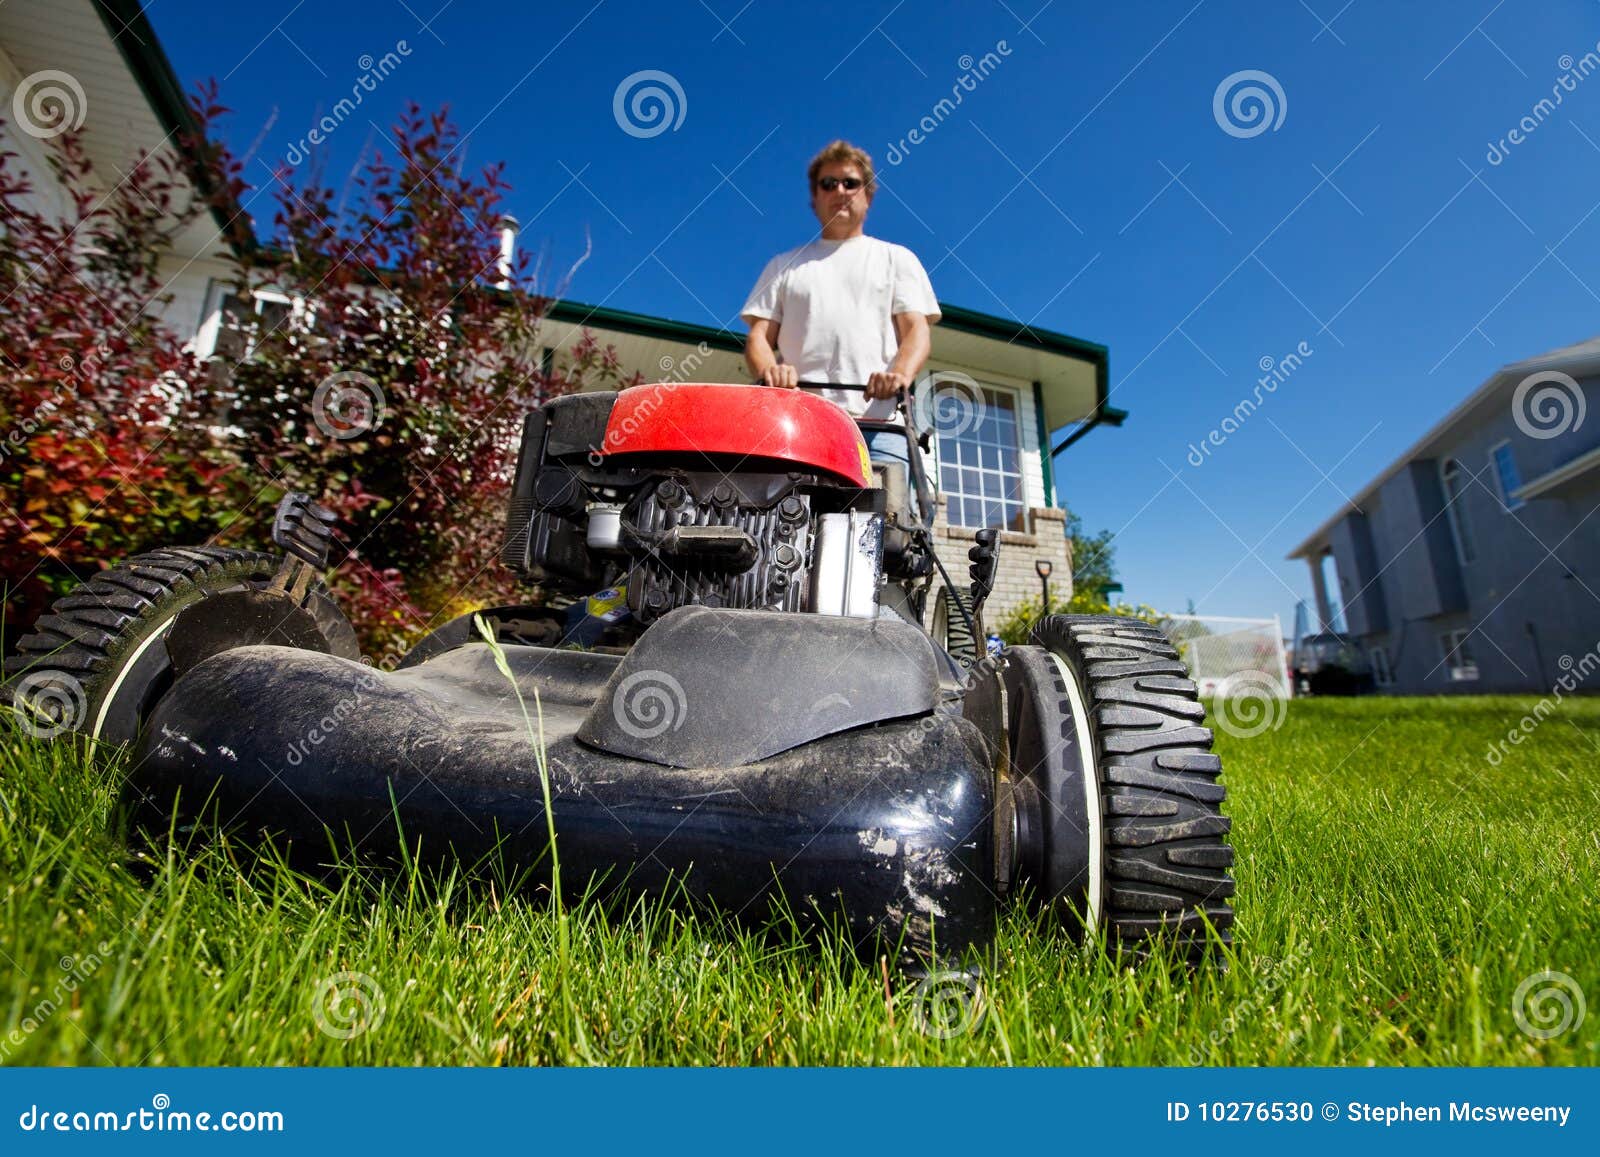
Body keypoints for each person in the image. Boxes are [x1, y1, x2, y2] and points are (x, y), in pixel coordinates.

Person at [740, 140, 939, 473]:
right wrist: (769, 371)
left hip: (880, 425)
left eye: (850, 182)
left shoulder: (896, 259)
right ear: (815, 198)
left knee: (890, 518)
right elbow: (758, 337)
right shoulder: (784, 266)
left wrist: (899, 375)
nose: (840, 190)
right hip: (800, 425)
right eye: (828, 184)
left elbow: (916, 330)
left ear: (868, 195)